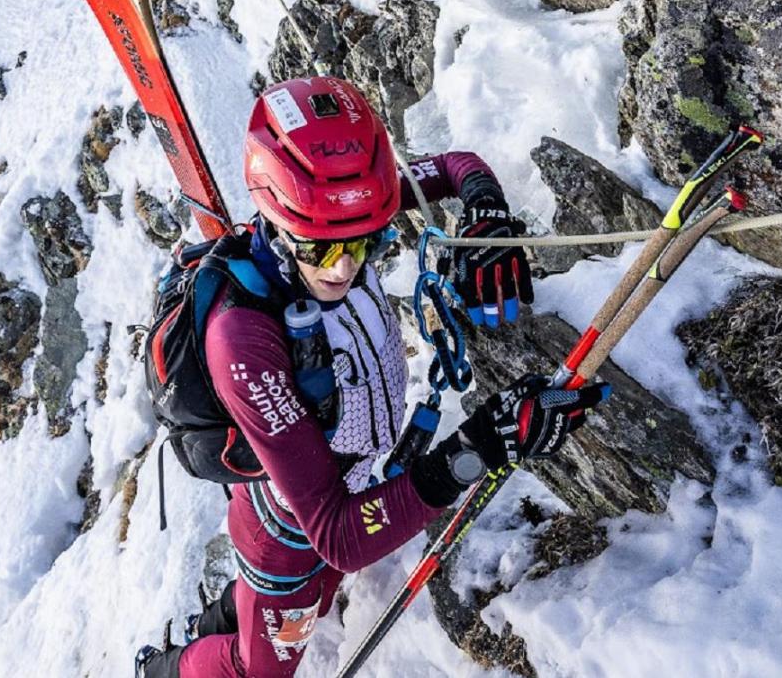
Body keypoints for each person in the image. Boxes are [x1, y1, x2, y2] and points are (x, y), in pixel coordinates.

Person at [136, 76, 607, 678]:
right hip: (289, 535)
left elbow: (459, 166)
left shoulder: (341, 206)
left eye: (366, 241)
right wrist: (481, 446)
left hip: (344, 488)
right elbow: (338, 535)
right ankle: (161, 670)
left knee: (315, 597)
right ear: (275, 216)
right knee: (262, 670)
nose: (346, 267)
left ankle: (217, 621)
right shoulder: (243, 341)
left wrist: (486, 217)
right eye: (319, 250)